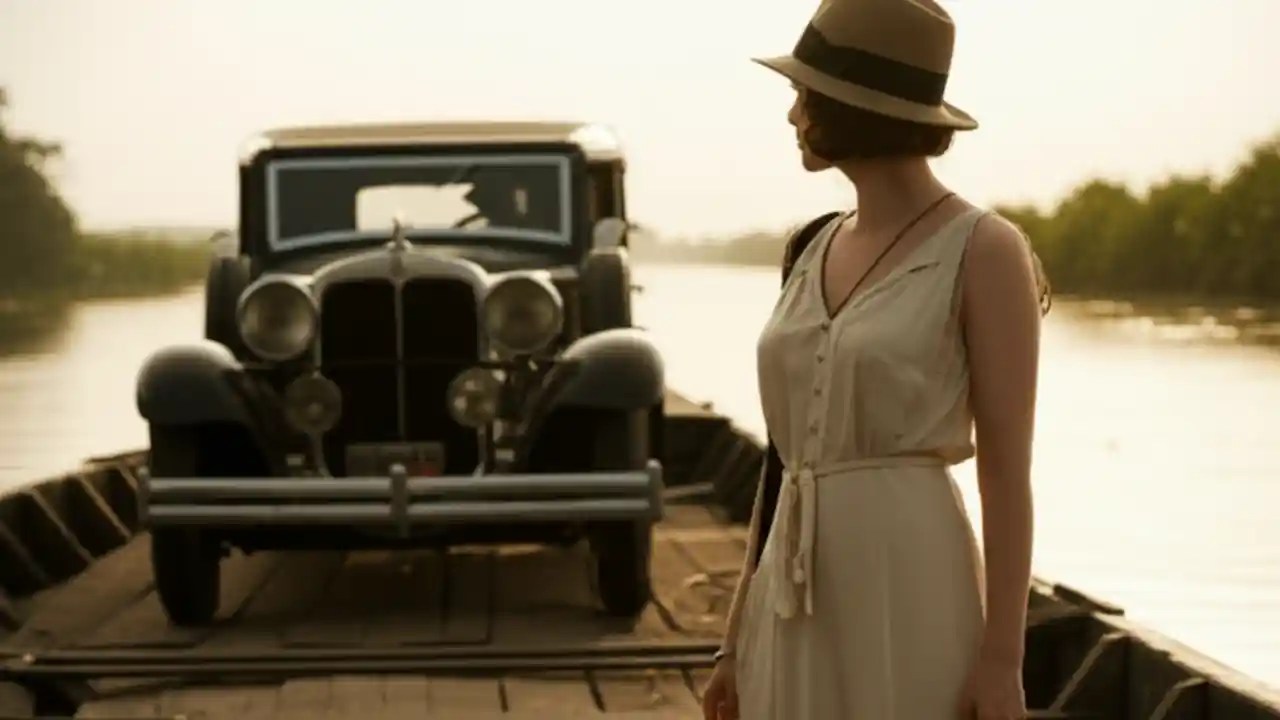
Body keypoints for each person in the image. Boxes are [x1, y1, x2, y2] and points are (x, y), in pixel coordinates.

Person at [700, 0, 1051, 718]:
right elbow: (780, 463)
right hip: (789, 595)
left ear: (849, 105)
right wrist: (732, 642)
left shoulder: (985, 250)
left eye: (803, 95)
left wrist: (1002, 661)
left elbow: (1007, 474)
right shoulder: (809, 245)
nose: (792, 115)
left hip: (909, 580)